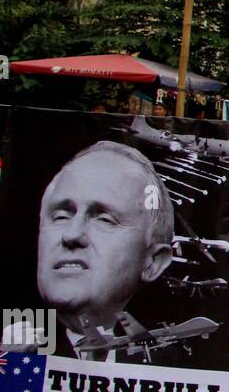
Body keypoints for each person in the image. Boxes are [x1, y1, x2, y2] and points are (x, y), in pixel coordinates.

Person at [33, 141, 176, 360]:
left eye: (105, 220)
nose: (71, 235)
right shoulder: (9, 354)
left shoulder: (168, 366)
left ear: (153, 262)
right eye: (61, 216)